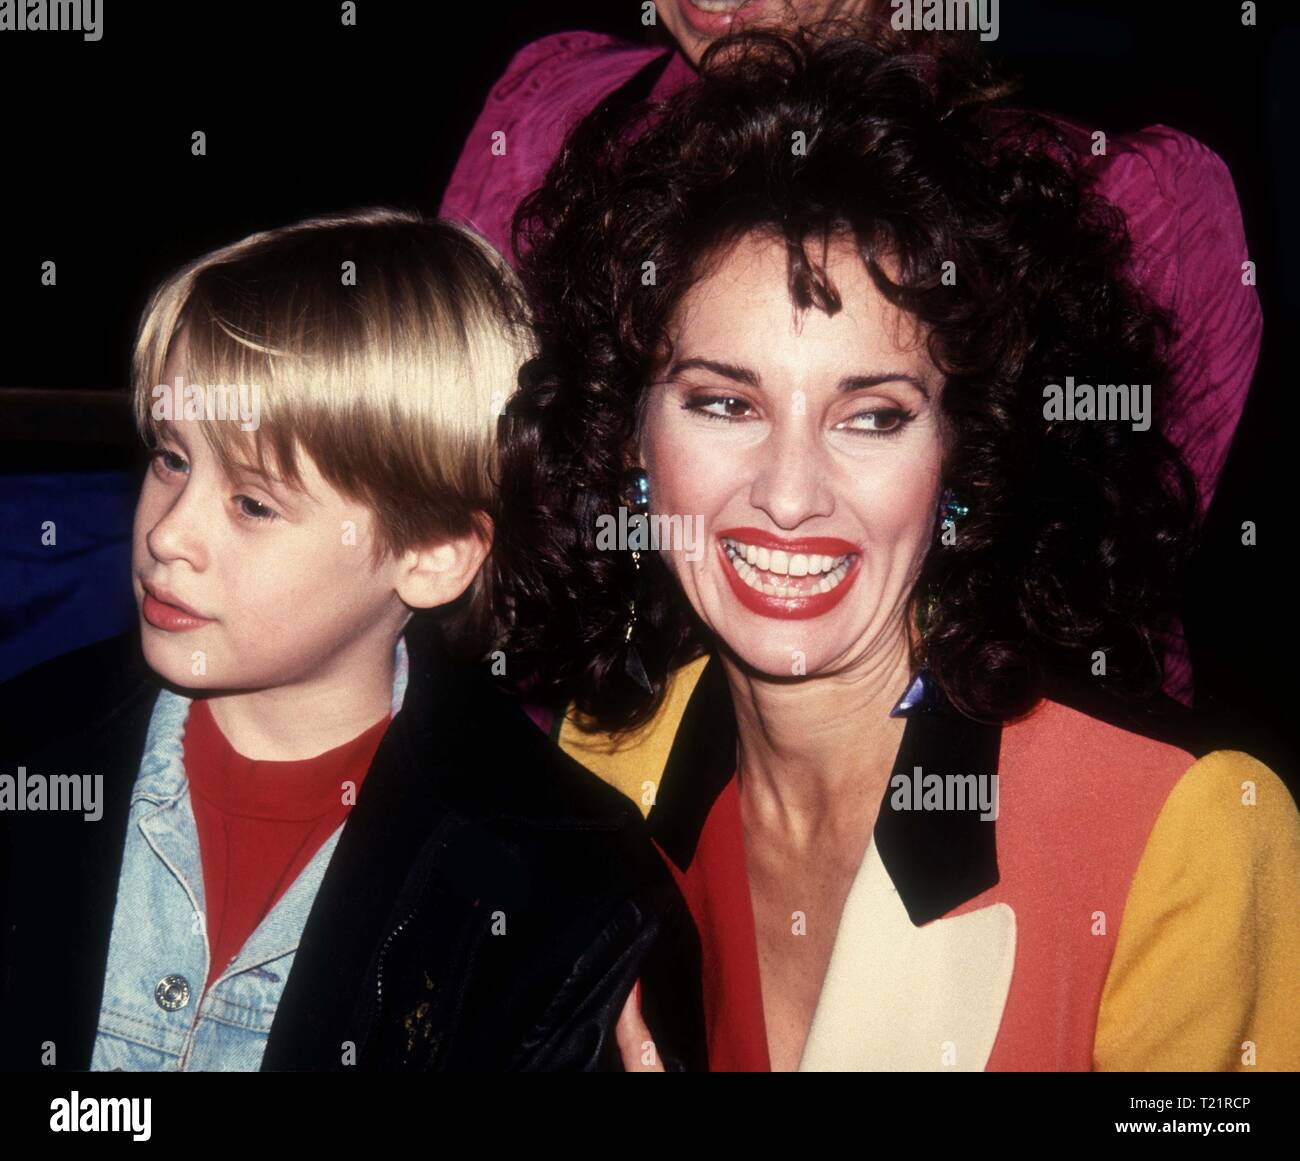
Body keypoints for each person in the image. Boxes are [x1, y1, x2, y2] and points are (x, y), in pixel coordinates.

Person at [496, 27, 1300, 1071]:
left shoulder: (1177, 834)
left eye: (871, 416)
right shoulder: (601, 771)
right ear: (625, 438)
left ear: (968, 461)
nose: (787, 496)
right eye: (723, 403)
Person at [0, 209, 705, 1072]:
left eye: (253, 502)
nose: (168, 534)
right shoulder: (28, 744)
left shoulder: (562, 893)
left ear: (434, 554)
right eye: (172, 458)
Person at [439, 1, 1263, 706]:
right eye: (725, 400)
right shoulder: (550, 112)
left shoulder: (1125, 204)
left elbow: (1093, 590)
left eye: (872, 413)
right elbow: (437, 503)